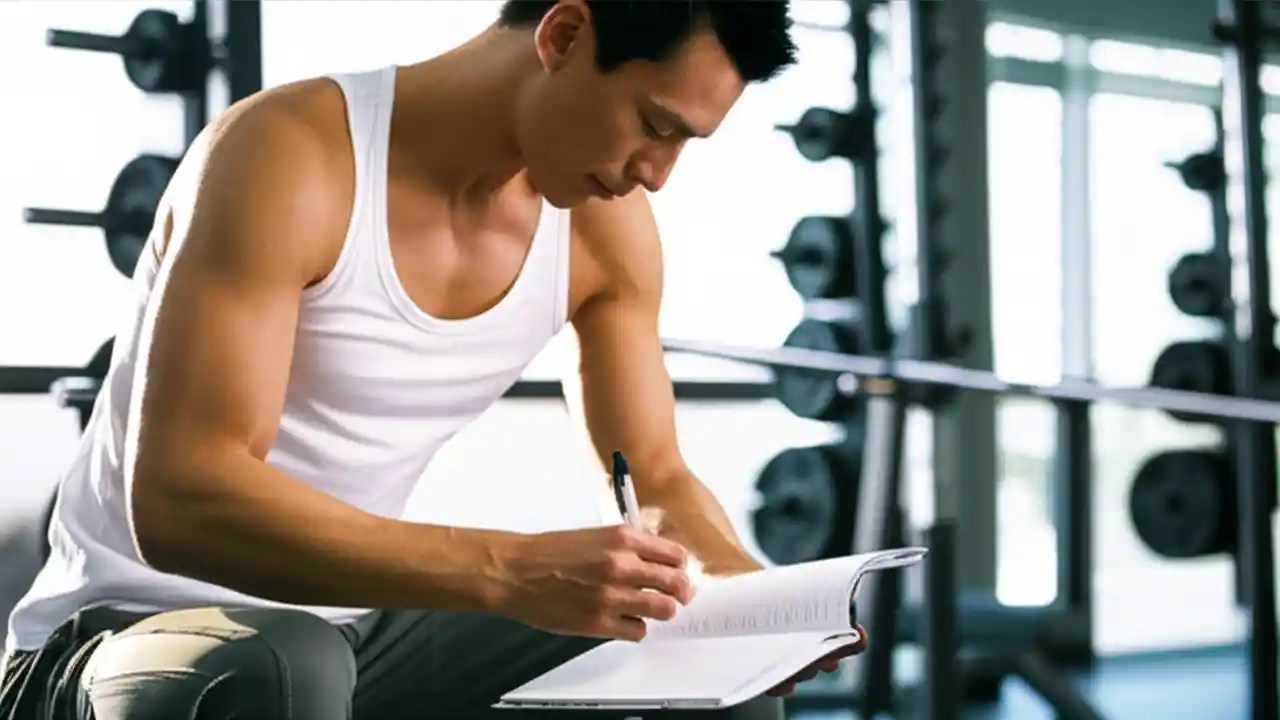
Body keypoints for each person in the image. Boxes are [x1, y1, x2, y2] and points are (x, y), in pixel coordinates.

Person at [1, 1, 868, 717]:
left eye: (685, 144)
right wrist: (509, 568)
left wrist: (767, 610)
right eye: (652, 125)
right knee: (287, 668)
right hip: (116, 636)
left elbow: (655, 476)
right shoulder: (288, 155)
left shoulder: (605, 231)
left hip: (351, 640)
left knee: (719, 666)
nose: (658, 174)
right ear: (565, 37)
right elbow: (181, 501)